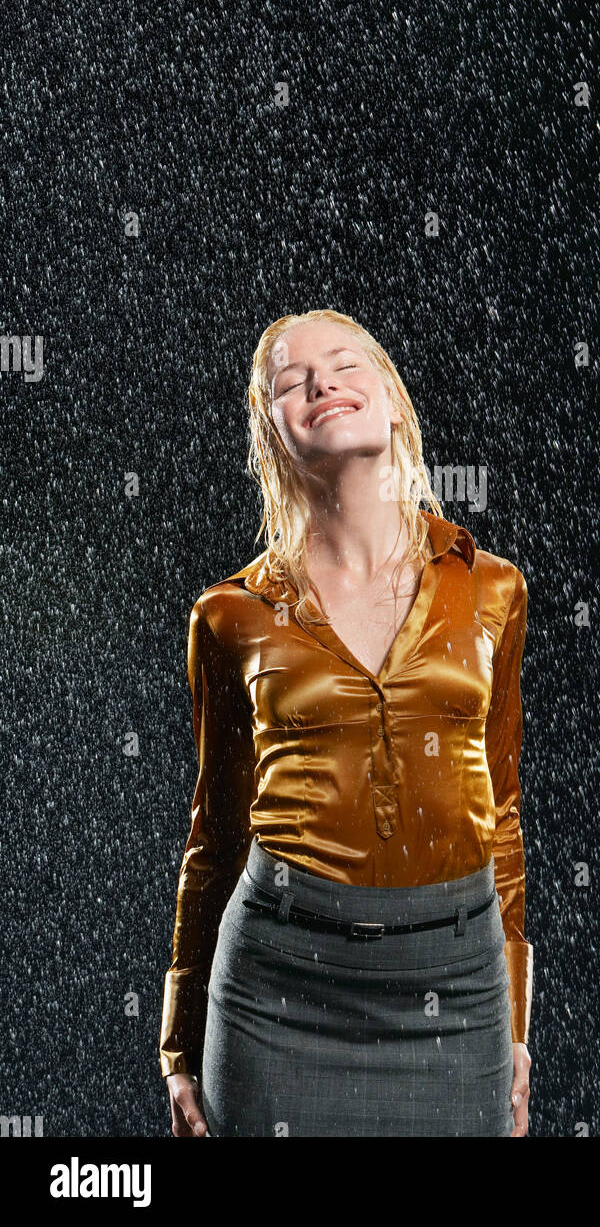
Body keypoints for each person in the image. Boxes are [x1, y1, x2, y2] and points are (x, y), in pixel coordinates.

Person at [159, 308, 533, 1136]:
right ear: (273, 435)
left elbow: (502, 816)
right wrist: (178, 1040)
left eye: (346, 364)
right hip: (276, 985)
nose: (322, 382)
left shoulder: (493, 589)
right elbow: (215, 835)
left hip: (458, 984)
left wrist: (515, 1025)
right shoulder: (230, 614)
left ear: (391, 398)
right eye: (292, 381)